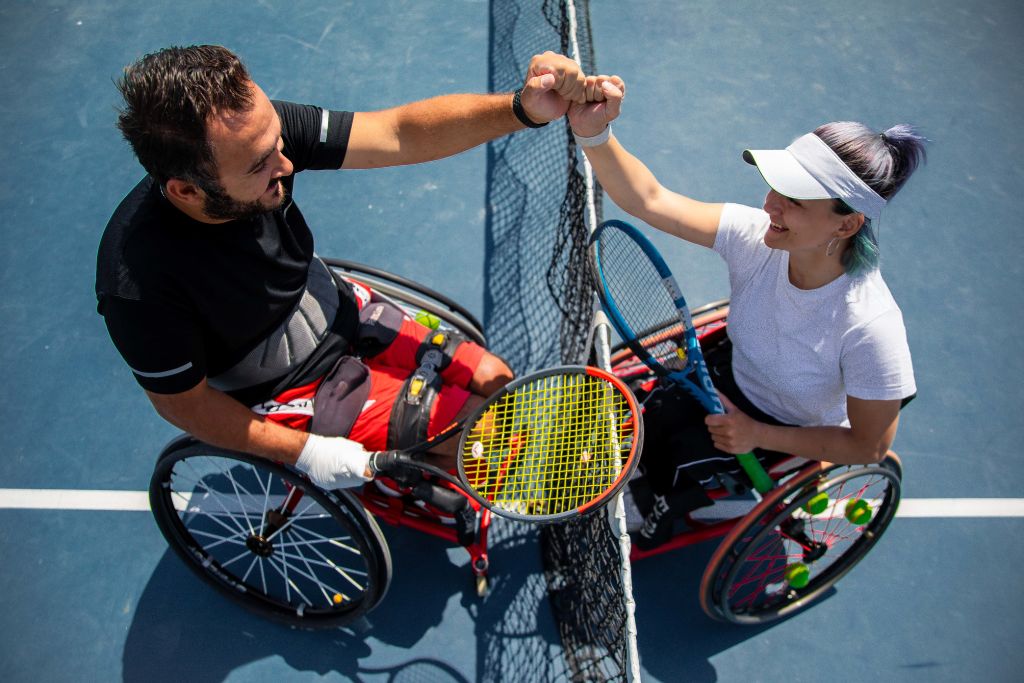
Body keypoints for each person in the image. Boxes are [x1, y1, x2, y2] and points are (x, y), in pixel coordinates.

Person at [96, 44, 592, 492]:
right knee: (488, 444)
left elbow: (398, 133)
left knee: (496, 376)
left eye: (279, 144)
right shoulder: (138, 285)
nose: (286, 165)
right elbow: (184, 404)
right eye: (259, 166)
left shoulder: (257, 139)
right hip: (286, 385)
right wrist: (305, 452)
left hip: (335, 307)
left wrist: (520, 110)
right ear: (186, 190)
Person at [567, 76, 925, 548]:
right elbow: (648, 199)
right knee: (644, 423)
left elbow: (869, 446)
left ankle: (724, 500)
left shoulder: (870, 328)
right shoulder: (756, 236)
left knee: (672, 467)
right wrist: (593, 133)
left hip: (786, 429)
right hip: (728, 374)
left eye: (792, 201)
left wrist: (756, 434)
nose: (769, 205)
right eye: (774, 187)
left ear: (849, 222)